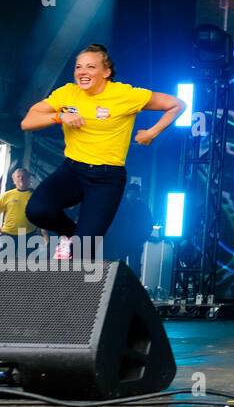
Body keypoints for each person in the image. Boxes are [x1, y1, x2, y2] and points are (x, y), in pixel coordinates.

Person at [20, 44, 185, 262]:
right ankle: (71, 234)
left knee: (83, 250)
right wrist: (59, 116)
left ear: (106, 72)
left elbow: (176, 104)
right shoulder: (67, 93)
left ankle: (78, 263)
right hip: (72, 170)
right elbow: (28, 122)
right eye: (79, 67)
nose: (82, 72)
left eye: (90, 67)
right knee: (37, 211)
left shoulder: (125, 94)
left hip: (107, 179)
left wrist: (152, 133)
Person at [0, 167, 40, 240]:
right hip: (8, 232)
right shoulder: (7, 195)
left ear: (29, 179)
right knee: (6, 252)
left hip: (27, 233)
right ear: (14, 180)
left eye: (24, 176)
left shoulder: (35, 196)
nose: (21, 178)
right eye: (18, 177)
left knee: (23, 252)